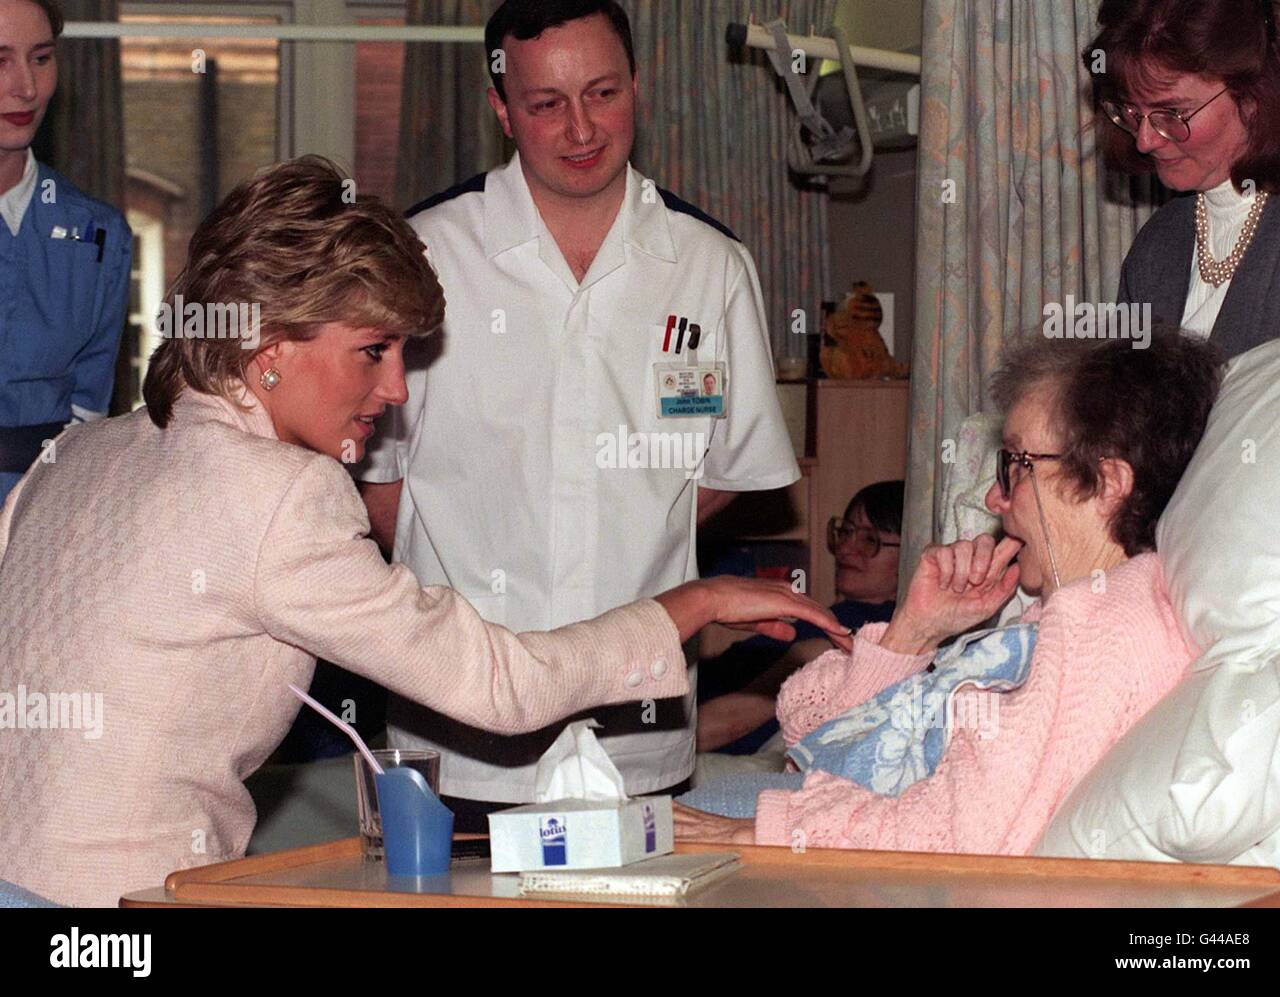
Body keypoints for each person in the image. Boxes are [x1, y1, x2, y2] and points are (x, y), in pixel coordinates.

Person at [0, 156, 849, 907]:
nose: (399, 388)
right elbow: (503, 688)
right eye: (374, 350)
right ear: (268, 345)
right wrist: (691, 603)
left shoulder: (74, 452)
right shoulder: (281, 492)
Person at [357, 0, 801, 829]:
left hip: (637, 731)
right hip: (460, 733)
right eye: (546, 104)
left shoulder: (710, 266)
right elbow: (382, 492)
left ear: (639, 83)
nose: (581, 129)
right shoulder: (423, 257)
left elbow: (716, 476)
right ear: (501, 108)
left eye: (602, 93)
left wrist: (625, 528)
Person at [673, 330, 1221, 851]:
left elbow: (962, 837)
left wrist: (767, 833)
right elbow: (817, 739)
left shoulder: (1107, 635)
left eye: (1015, 465)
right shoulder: (1059, 615)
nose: (992, 499)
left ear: (1107, 484)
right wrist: (914, 633)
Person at [1089, 0, 1280, 359]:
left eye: (1172, 113)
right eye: (1130, 111)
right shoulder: (1156, 247)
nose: (1144, 140)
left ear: (1254, 98)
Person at [0, 0, 130, 504]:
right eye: (0, 60)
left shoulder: (97, 234)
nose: (27, 88)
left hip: (45, 514)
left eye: (41, 58)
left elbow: (88, 411)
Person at [696, 481, 903, 754]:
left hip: (703, 745)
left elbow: (735, 721)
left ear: (909, 553)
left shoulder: (862, 637)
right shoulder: (829, 615)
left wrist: (647, 752)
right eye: (846, 532)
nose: (844, 549)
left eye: (869, 540)